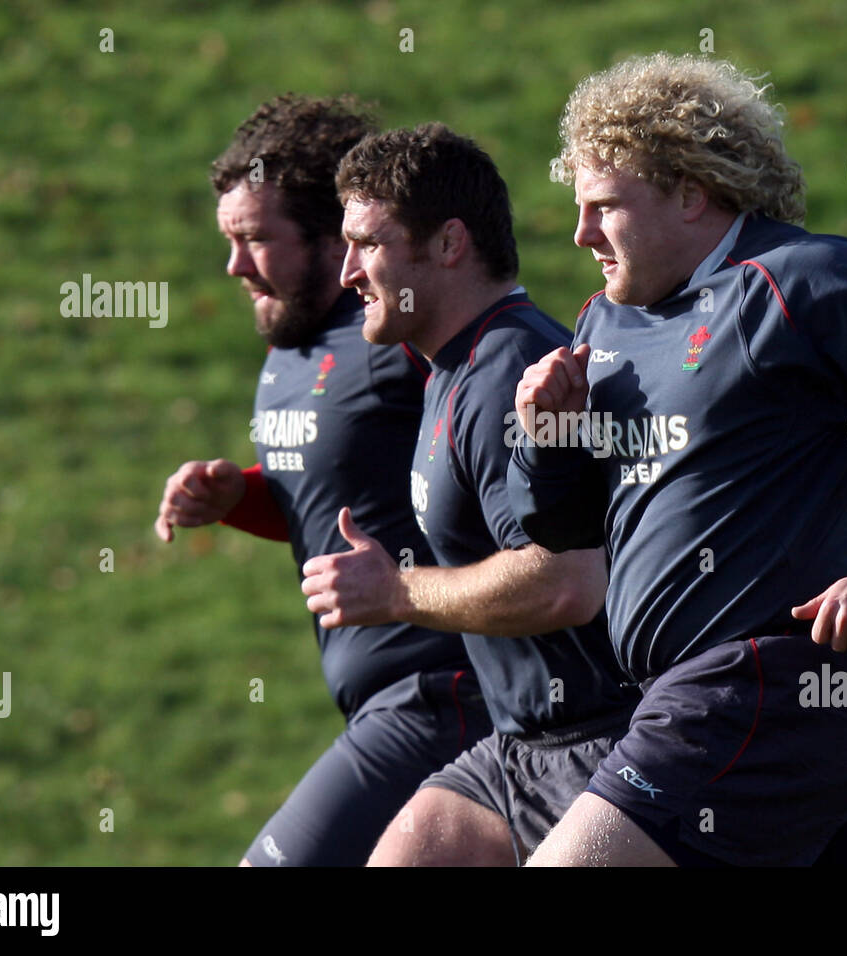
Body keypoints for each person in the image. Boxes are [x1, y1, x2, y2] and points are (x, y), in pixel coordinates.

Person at [509, 53, 847, 866]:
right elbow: (565, 532)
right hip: (701, 706)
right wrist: (547, 438)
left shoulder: (798, 279)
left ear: (690, 192)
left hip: (758, 688)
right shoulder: (602, 325)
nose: (580, 235)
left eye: (604, 207)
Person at [153, 95, 490, 866]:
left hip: (445, 692)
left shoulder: (403, 331)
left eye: (255, 239)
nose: (234, 265)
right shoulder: (287, 353)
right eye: (229, 240)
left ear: (332, 234)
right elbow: (340, 499)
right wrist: (241, 495)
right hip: (377, 703)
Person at [299, 123, 642, 865]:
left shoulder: (505, 372)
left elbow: (566, 585)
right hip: (519, 747)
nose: (347, 273)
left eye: (370, 244)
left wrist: (396, 592)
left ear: (449, 243)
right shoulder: (454, 368)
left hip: (601, 745)